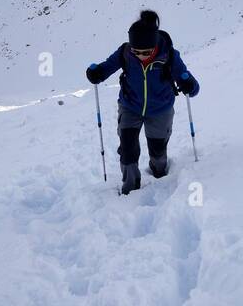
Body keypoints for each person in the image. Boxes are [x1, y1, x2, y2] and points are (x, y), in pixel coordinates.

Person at [86, 10, 200, 195]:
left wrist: (189, 85)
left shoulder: (168, 55)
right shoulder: (125, 52)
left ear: (154, 45)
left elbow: (190, 84)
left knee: (158, 150)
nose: (140, 55)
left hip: (160, 109)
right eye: (136, 51)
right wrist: (97, 72)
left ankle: (160, 173)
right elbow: (107, 67)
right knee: (127, 148)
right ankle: (130, 189)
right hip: (130, 106)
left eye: (146, 52)